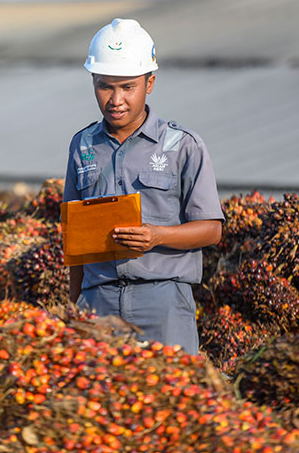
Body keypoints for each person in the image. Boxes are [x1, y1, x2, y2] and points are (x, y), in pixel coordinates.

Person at [63, 18, 224, 354]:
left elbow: (211, 229)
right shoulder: (82, 146)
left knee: (173, 400)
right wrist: (73, 305)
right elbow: (75, 238)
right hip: (98, 303)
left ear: (149, 83)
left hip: (164, 301)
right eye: (105, 86)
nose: (116, 99)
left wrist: (157, 236)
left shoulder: (183, 145)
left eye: (128, 87)